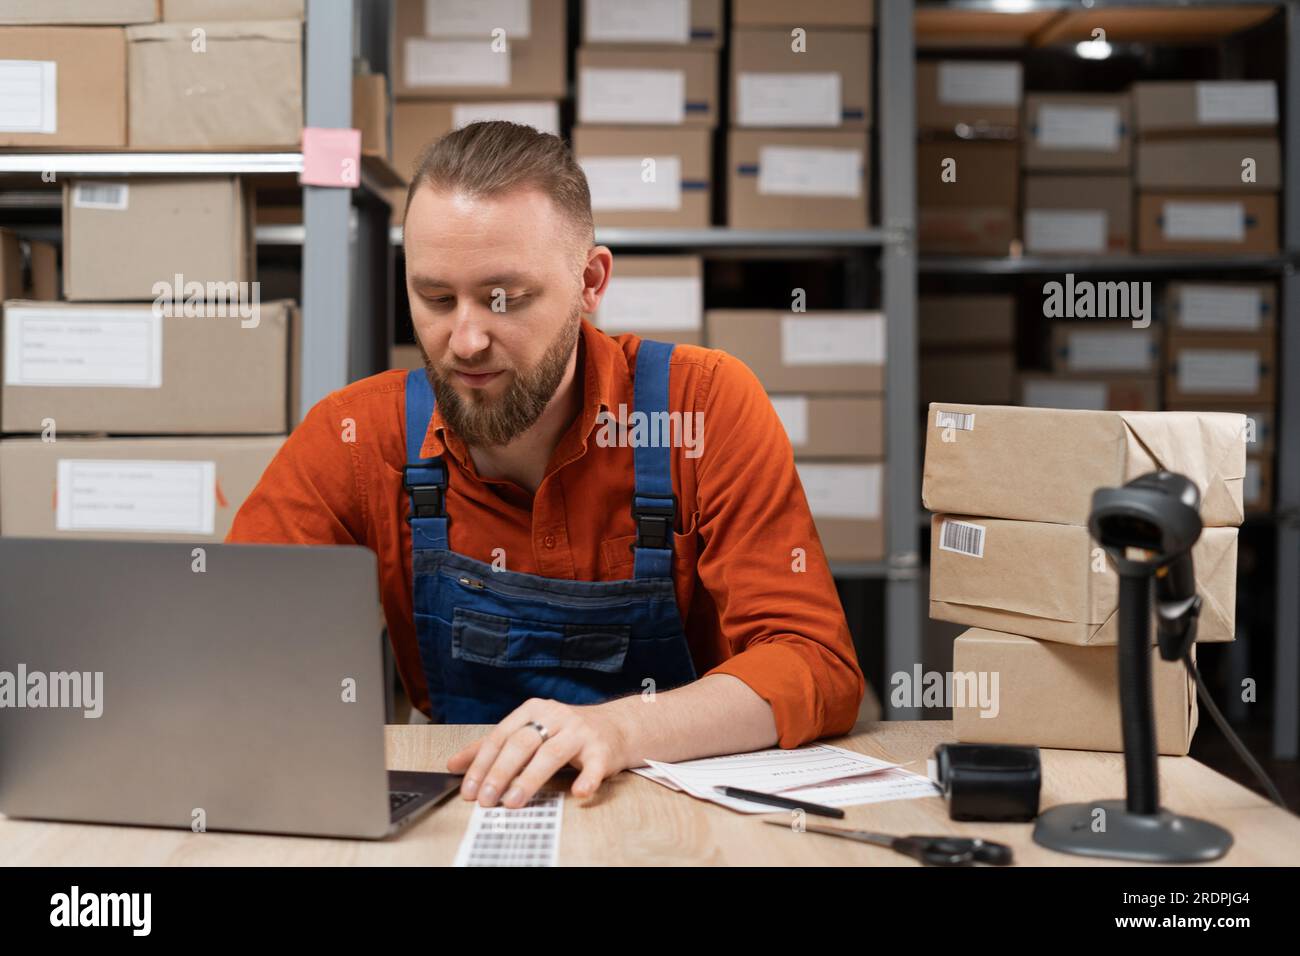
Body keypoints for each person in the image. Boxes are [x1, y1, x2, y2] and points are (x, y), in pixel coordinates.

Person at [228, 121, 866, 810]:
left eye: (505, 299)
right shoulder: (357, 436)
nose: (465, 340)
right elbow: (230, 641)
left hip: (673, 815)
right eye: (436, 299)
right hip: (470, 800)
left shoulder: (703, 408)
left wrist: (619, 728)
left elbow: (815, 664)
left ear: (591, 281)